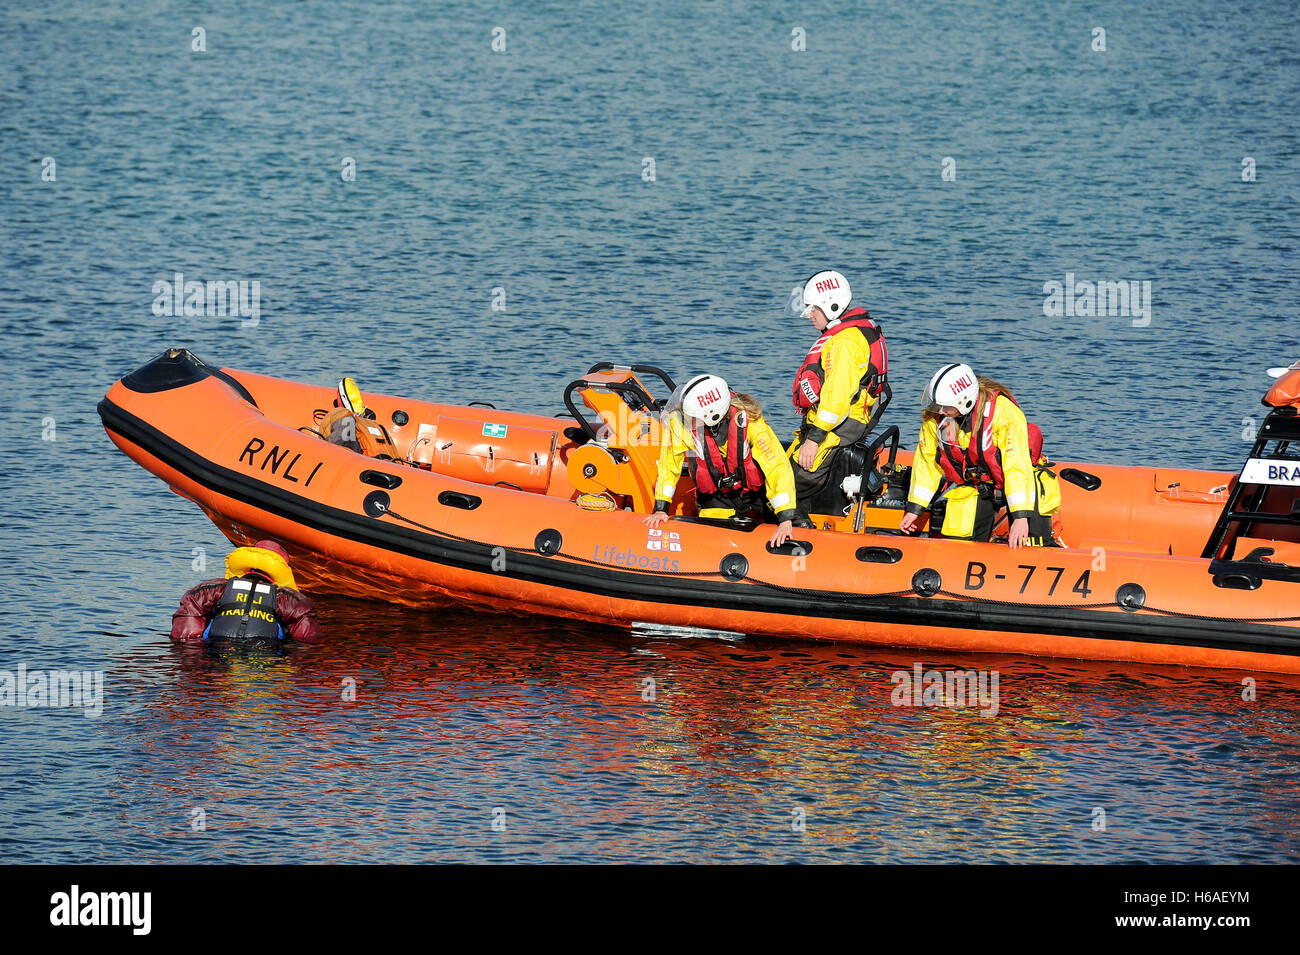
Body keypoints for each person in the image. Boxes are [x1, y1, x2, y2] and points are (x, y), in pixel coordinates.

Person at [899, 363, 1060, 548]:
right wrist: (915, 508)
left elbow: (1017, 466)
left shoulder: (1003, 412)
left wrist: (1020, 516)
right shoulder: (936, 418)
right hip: (978, 485)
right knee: (960, 544)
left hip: (1019, 485)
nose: (940, 411)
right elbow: (927, 462)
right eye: (938, 405)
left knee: (1033, 542)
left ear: (965, 402)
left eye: (945, 407)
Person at [645, 375, 799, 547]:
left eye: (690, 417)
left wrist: (785, 518)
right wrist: (661, 508)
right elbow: (669, 466)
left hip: (757, 494)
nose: (686, 420)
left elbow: (777, 466)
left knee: (798, 525)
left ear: (712, 416)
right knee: (712, 542)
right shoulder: (681, 425)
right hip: (716, 497)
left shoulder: (750, 423)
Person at [788, 269, 889, 523]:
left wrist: (815, 438)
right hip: (849, 420)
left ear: (831, 307)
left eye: (813, 309)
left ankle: (799, 529)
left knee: (785, 484)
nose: (809, 314)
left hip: (839, 425)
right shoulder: (855, 333)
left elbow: (837, 398)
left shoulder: (844, 342)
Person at [171, 540, 322, 644]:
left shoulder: (216, 588)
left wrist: (191, 652)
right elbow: (306, 640)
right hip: (264, 657)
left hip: (217, 652)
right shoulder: (289, 599)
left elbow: (188, 616)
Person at [317, 377, 400, 458]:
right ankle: (357, 412)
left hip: (361, 466)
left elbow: (337, 453)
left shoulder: (344, 418)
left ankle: (353, 411)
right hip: (386, 466)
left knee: (345, 420)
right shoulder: (379, 427)